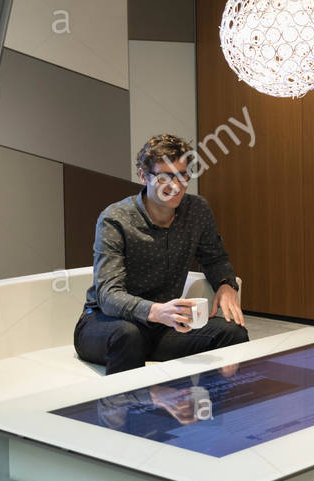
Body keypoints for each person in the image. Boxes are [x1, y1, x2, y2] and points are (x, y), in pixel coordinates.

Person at [74, 133, 248, 374]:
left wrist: (225, 284)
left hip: (163, 325)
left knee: (232, 333)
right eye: (164, 177)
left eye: (182, 175)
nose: (176, 186)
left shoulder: (196, 210)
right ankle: (134, 400)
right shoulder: (115, 218)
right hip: (105, 323)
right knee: (129, 335)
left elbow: (214, 257)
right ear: (143, 175)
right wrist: (155, 311)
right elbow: (108, 295)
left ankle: (208, 399)